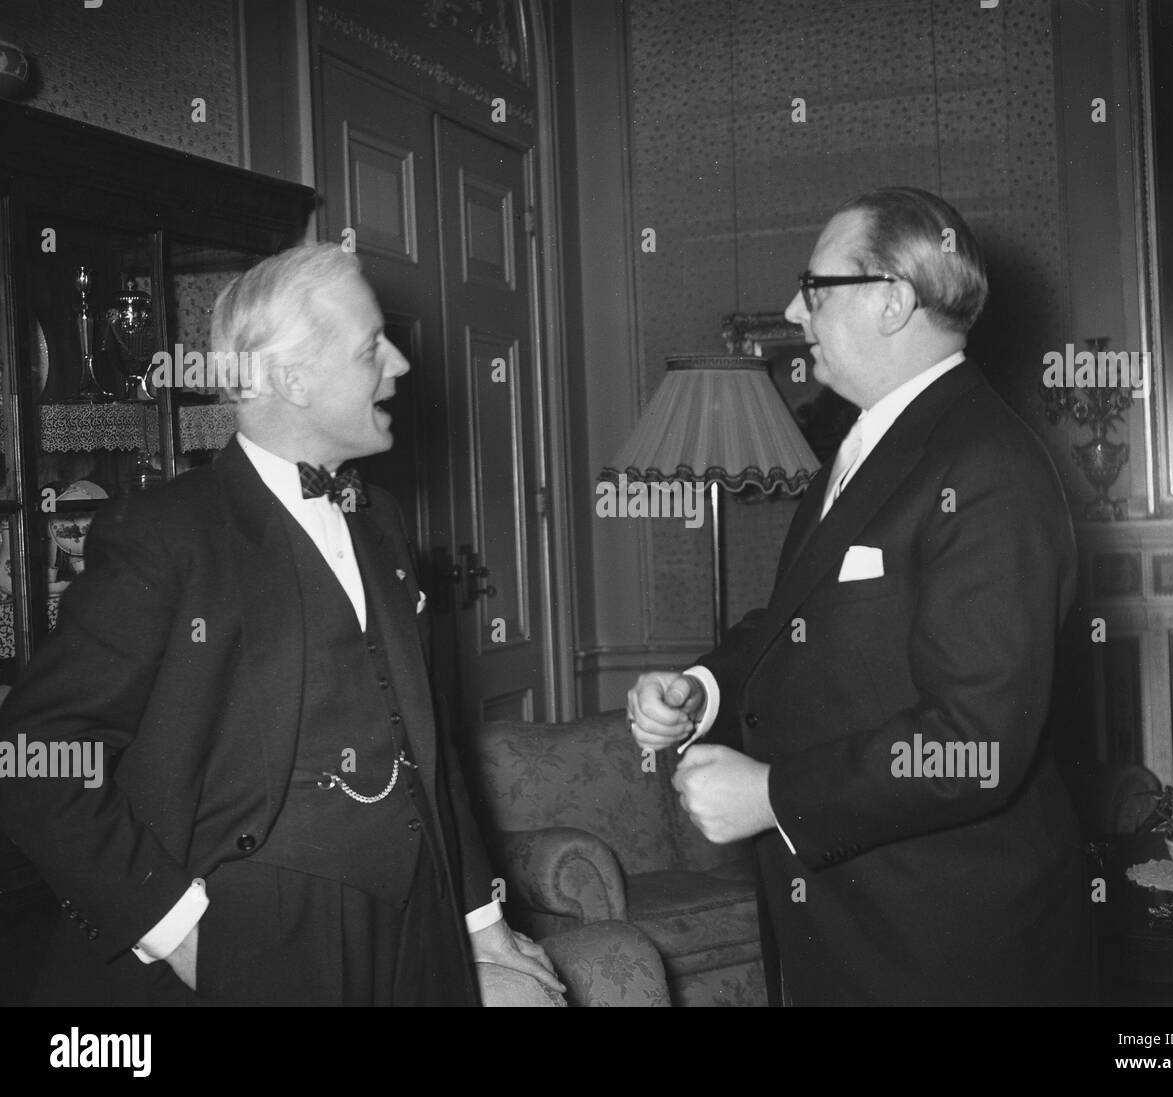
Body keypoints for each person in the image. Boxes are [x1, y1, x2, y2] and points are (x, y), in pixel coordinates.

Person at [0, 243, 560, 1006]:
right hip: (251, 939)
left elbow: (427, 743)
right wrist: (180, 931)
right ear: (293, 378)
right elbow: (34, 759)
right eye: (372, 347)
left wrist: (480, 916)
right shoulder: (166, 535)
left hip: (413, 934)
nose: (398, 363)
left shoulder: (381, 521)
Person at [629, 188, 1086, 1006]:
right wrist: (703, 689)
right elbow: (798, 622)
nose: (791, 310)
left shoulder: (989, 466)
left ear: (892, 300)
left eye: (814, 286)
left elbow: (974, 743)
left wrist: (772, 796)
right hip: (856, 930)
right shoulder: (868, 441)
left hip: (942, 948)